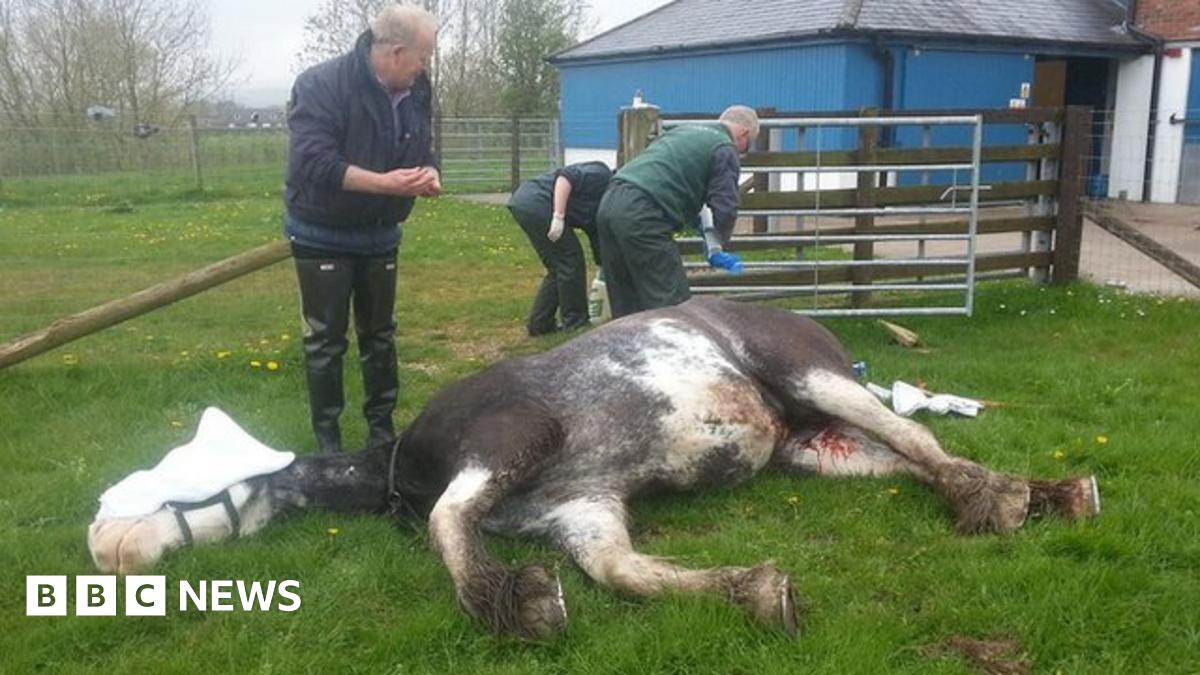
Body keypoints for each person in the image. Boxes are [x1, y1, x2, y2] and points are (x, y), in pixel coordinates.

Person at [283, 5, 439, 454]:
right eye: (423, 57)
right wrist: (385, 184)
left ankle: (382, 436)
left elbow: (422, 146)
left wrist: (429, 172)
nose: (425, 67)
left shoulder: (417, 88)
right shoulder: (321, 84)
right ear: (396, 52)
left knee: (379, 336)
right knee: (325, 342)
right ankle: (328, 445)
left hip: (381, 233)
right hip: (322, 232)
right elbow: (313, 162)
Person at [595, 105, 759, 318]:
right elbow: (725, 207)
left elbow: (670, 178)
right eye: (746, 148)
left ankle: (627, 340)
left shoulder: (682, 132)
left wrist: (700, 225)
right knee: (671, 303)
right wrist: (718, 245)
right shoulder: (724, 147)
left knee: (626, 302)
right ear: (744, 134)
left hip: (610, 201)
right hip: (642, 212)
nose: (741, 153)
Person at [507, 161, 613, 335]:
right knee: (570, 261)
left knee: (558, 266)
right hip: (537, 200)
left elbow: (597, 240)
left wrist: (603, 268)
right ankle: (576, 322)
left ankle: (540, 324)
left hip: (526, 202)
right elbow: (565, 178)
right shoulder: (601, 173)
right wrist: (558, 216)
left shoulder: (602, 209)